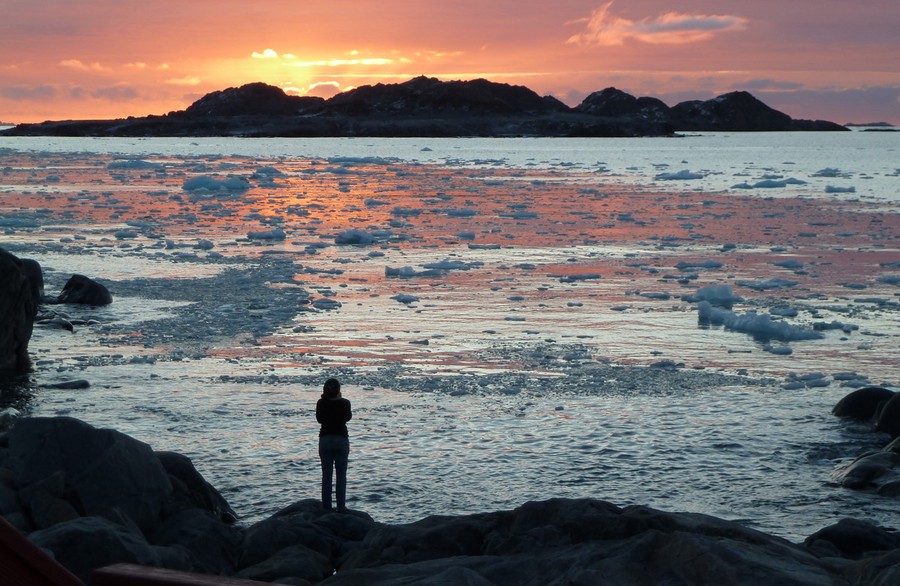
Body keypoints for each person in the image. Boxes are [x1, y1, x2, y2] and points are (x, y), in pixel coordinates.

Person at [316, 378, 352, 511]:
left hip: (325, 439)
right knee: (341, 475)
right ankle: (341, 507)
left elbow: (319, 419)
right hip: (341, 439)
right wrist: (340, 400)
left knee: (326, 475)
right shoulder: (345, 403)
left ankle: (327, 508)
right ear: (338, 390)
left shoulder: (321, 403)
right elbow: (348, 417)